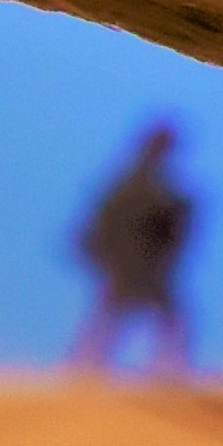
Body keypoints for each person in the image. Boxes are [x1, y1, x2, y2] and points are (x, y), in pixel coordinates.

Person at [69, 117, 199, 375]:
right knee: (115, 316)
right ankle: (85, 369)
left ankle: (169, 370)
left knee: (146, 317)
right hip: (132, 266)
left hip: (143, 267)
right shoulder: (135, 184)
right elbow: (104, 224)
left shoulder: (144, 182)